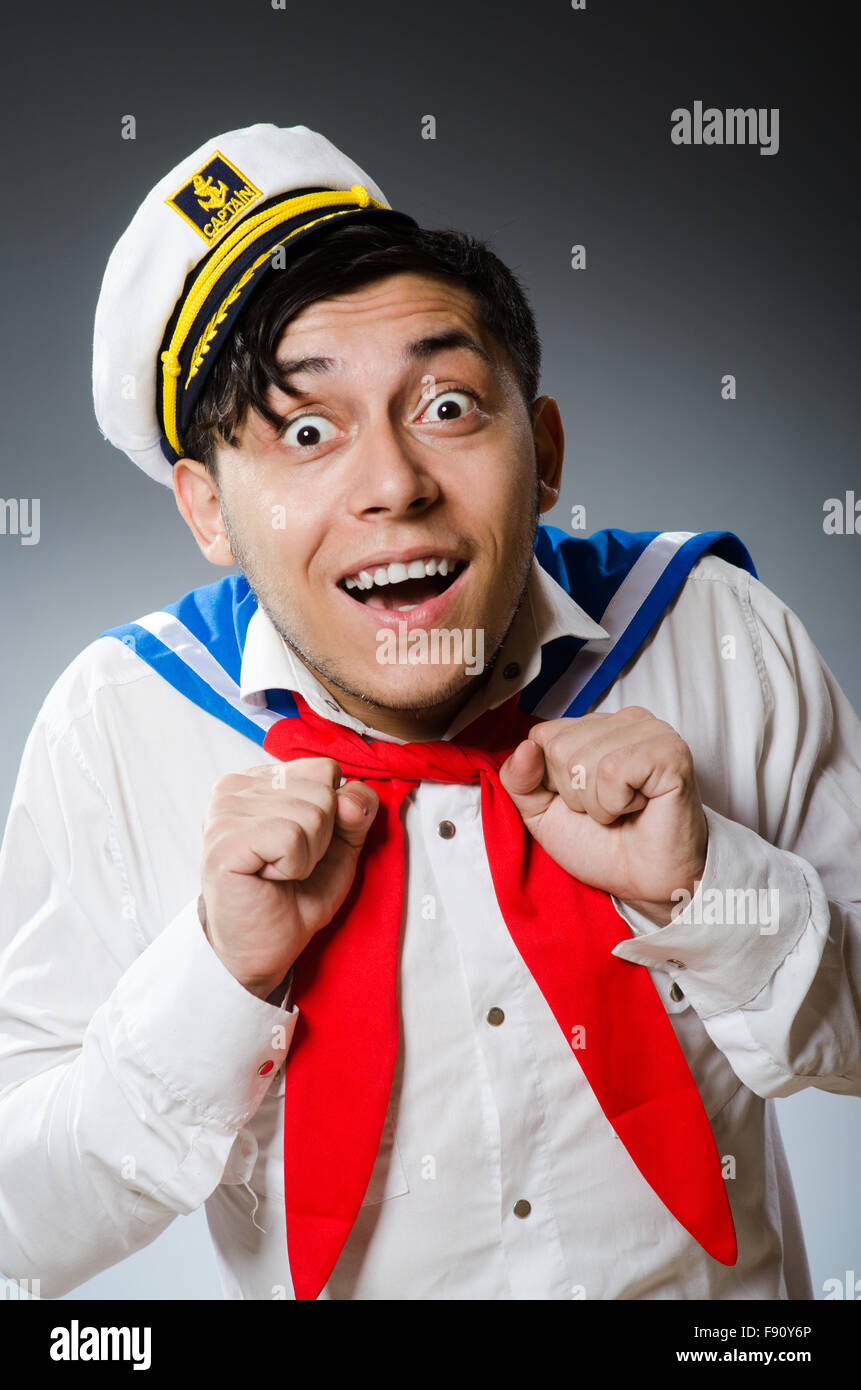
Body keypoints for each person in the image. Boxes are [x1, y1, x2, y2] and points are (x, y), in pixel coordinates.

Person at [0, 122, 859, 1302]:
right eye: (306, 431)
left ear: (544, 451)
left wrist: (714, 888)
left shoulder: (711, 627)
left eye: (447, 406)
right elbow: (18, 1228)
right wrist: (213, 979)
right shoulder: (117, 728)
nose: (395, 484)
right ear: (208, 511)